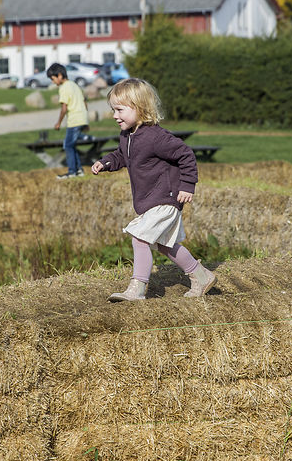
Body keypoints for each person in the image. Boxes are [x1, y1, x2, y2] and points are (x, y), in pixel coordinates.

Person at [92, 78, 216, 301]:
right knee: (166, 245)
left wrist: (187, 185)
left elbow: (185, 155)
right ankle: (201, 275)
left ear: (139, 108)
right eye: (113, 110)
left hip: (166, 199)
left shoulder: (156, 137)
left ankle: (137, 288)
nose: (114, 116)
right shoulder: (127, 136)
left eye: (119, 110)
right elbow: (122, 156)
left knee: (139, 238)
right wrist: (107, 162)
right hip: (150, 200)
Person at [49, 62, 89, 179]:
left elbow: (64, 108)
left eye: (53, 79)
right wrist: (86, 121)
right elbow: (84, 102)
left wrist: (58, 123)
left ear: (60, 76)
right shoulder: (74, 85)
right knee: (72, 145)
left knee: (67, 145)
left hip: (74, 120)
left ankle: (72, 172)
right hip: (81, 118)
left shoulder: (64, 88)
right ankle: (79, 170)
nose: (53, 82)